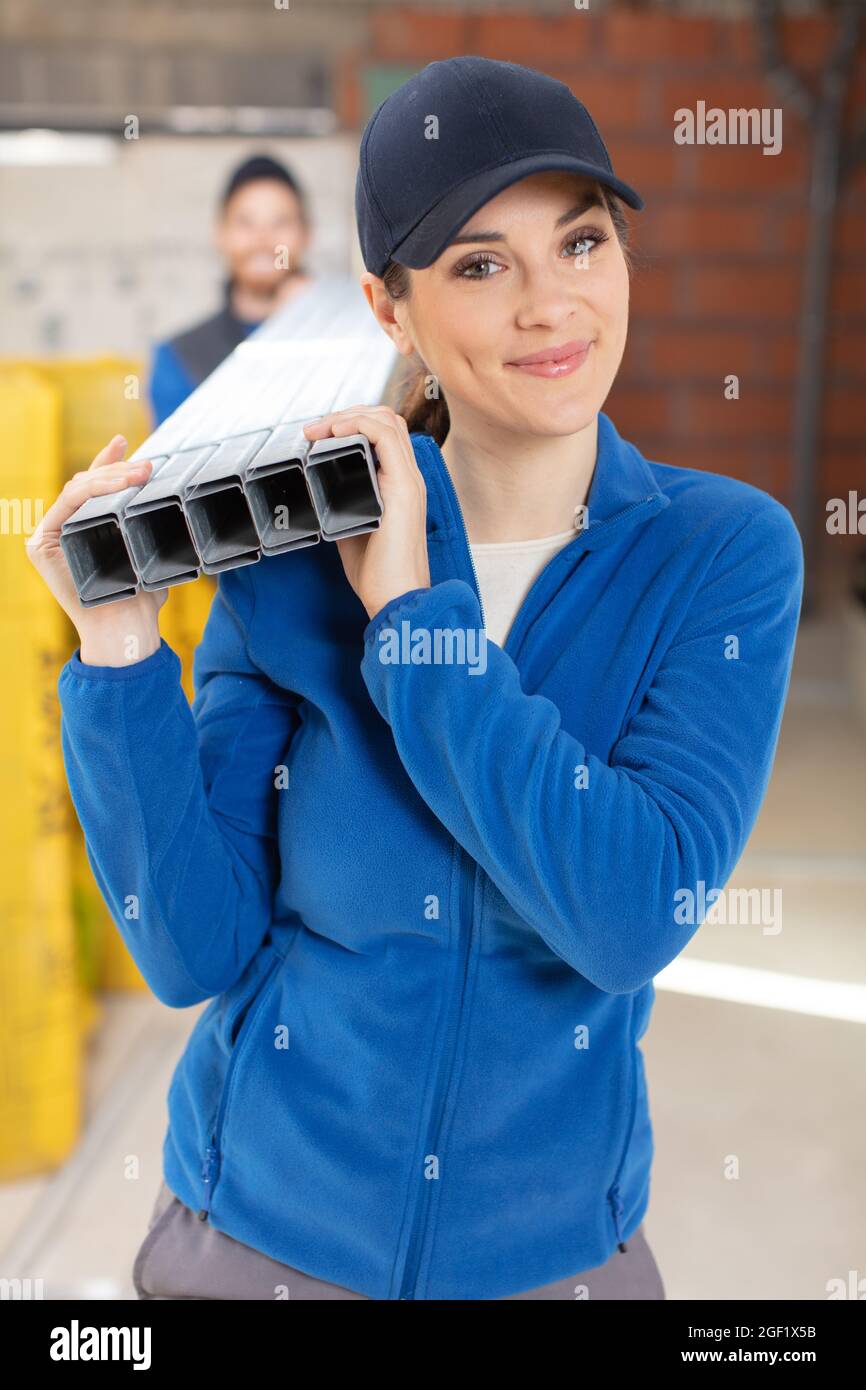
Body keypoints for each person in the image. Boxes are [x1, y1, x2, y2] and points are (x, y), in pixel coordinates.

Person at [29, 57, 803, 1300]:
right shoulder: (287, 564)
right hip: (259, 1243)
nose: (552, 305)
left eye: (583, 242)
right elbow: (192, 946)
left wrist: (415, 623)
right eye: (482, 265)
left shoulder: (718, 556)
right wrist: (118, 654)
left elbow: (625, 915)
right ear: (392, 311)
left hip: (547, 1261)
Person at [148, 153, 313, 425]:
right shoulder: (178, 358)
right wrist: (279, 331)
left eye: (280, 223)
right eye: (246, 223)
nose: (262, 239)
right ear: (220, 234)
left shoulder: (353, 342)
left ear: (306, 235)